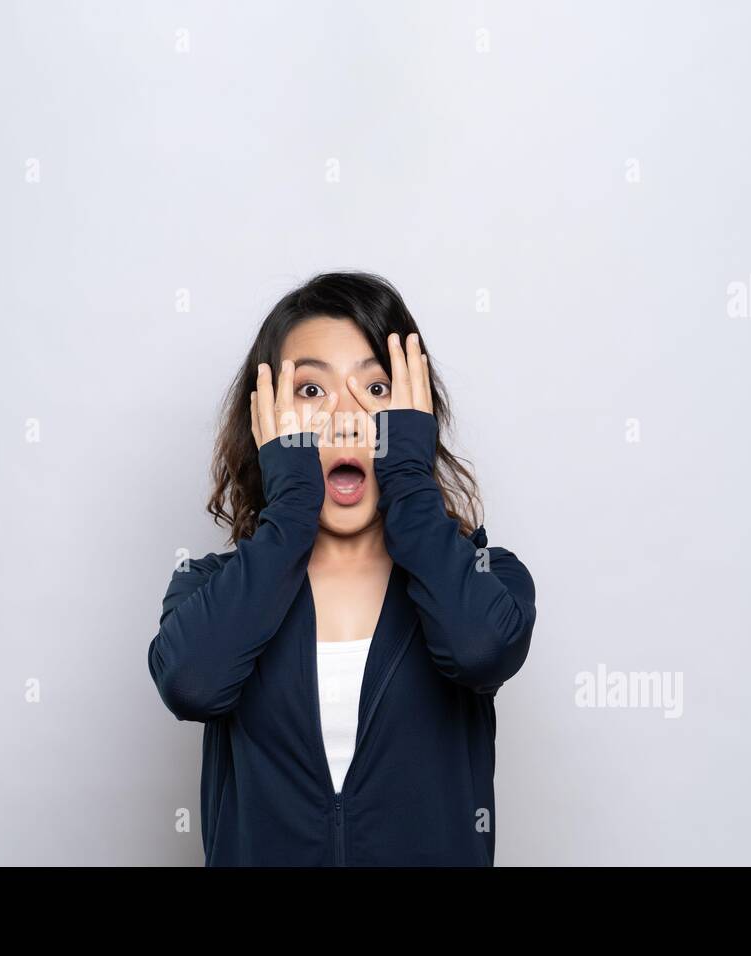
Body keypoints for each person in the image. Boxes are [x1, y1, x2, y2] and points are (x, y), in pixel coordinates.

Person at [148, 271, 537, 865]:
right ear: (265, 421)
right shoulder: (208, 589)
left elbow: (480, 648)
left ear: (415, 417)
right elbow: (192, 683)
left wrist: (407, 477)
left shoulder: (484, 577)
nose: (346, 418)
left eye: (378, 390)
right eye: (310, 392)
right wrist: (290, 513)